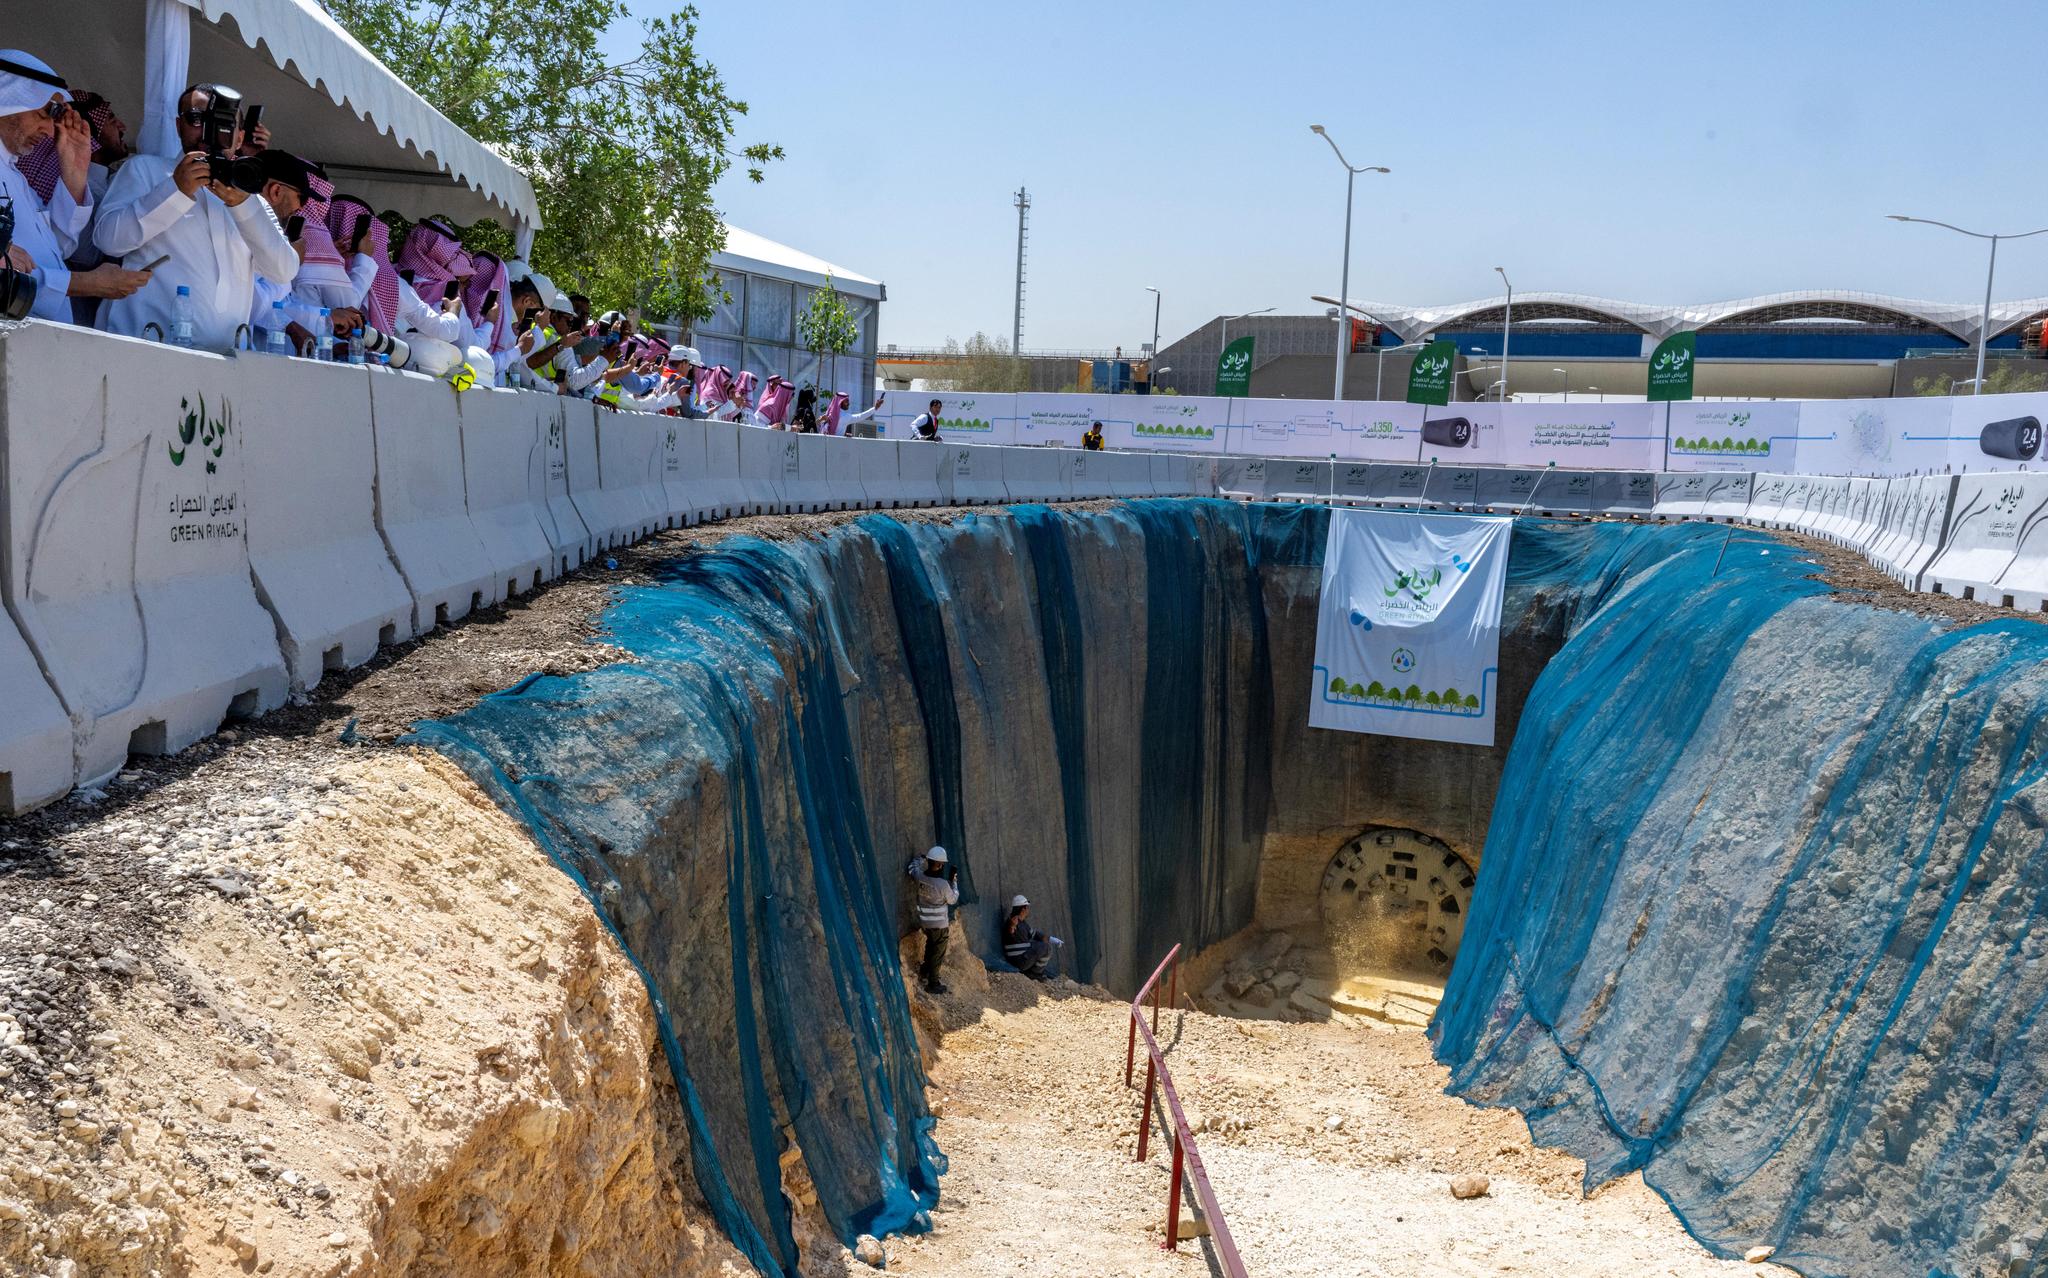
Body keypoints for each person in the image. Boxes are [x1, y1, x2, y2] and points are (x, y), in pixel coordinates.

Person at [95, 83, 297, 351]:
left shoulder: (253, 199)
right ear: (179, 126)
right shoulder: (146, 170)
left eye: (222, 121)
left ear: (239, 137)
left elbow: (282, 271)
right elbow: (108, 240)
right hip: (146, 350)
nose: (208, 130)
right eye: (196, 118)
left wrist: (244, 206)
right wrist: (175, 191)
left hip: (227, 364)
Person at [0, 52, 149, 323]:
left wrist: (74, 171)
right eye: (44, 113)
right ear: (8, 99)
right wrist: (88, 283)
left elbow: (57, 249)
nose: (48, 131)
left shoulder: (15, 177)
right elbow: (6, 278)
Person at [905, 845, 959, 995]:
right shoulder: (943, 884)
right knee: (938, 953)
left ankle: (925, 970)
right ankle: (933, 983)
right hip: (940, 926)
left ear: (929, 861)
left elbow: (912, 868)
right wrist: (954, 881)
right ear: (941, 865)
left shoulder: (920, 876)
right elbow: (953, 899)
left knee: (930, 945)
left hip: (925, 923)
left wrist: (920, 858)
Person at [1000, 895, 1060, 980]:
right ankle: (1034, 973)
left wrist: (1051, 939)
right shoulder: (1012, 921)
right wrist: (1012, 926)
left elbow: (1035, 935)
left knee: (1038, 944)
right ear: (1023, 909)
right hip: (1019, 960)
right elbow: (1011, 930)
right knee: (1046, 948)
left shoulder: (1023, 923)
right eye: (1027, 907)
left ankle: (1031, 972)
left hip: (1021, 958)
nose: (1028, 910)